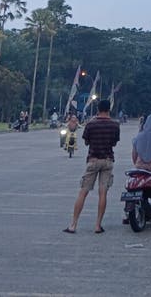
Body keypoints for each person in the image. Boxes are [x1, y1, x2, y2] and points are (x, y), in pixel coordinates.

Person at [63, 98, 120, 234]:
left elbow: (86, 141)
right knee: (103, 193)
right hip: (107, 160)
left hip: (93, 160)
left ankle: (73, 225)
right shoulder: (115, 125)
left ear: (98, 109)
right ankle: (98, 225)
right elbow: (114, 143)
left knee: (83, 191)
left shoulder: (91, 124)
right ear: (109, 109)